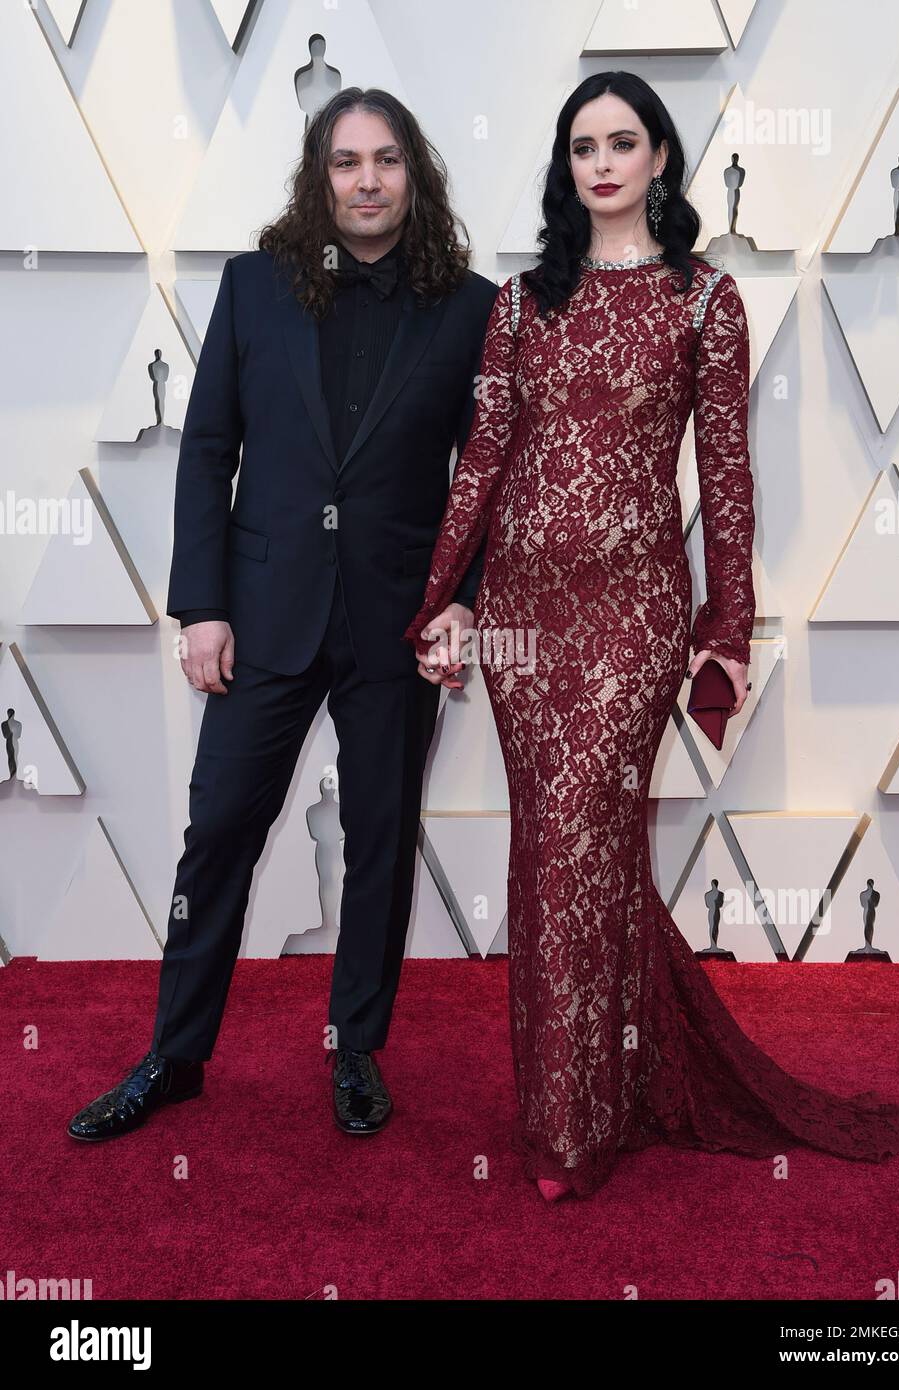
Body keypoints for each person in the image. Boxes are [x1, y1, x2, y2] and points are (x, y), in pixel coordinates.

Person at [403, 71, 899, 1201]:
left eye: (621, 142)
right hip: (526, 626)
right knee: (552, 850)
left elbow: (725, 479)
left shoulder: (703, 302)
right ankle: (575, 1094)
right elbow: (482, 458)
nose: (600, 163)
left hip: (632, 616)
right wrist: (444, 595)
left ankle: (577, 1129)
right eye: (581, 145)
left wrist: (723, 626)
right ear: (565, 163)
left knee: (586, 831)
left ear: (659, 159)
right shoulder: (521, 299)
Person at [67, 88, 497, 1143]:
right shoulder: (255, 288)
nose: (366, 180)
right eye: (346, 161)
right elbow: (209, 446)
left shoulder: (471, 304)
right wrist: (203, 604)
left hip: (398, 619)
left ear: (414, 174)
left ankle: (354, 1045)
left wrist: (464, 604)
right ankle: (174, 1054)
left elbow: (486, 475)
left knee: (380, 838)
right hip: (262, 612)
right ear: (319, 176)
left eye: (386, 160)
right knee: (218, 829)